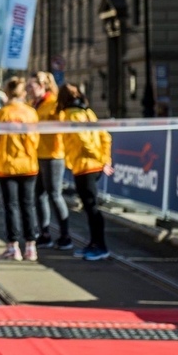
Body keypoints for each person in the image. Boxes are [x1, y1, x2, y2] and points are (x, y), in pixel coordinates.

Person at [57, 83, 114, 261]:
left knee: (91, 207)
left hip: (85, 165)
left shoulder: (72, 115)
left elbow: (83, 141)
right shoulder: (87, 111)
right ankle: (94, 243)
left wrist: (102, 159)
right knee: (89, 207)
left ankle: (101, 246)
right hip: (90, 165)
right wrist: (105, 159)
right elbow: (106, 136)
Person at [0, 77, 40, 262]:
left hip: (7, 165)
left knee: (11, 206)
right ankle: (31, 247)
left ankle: (13, 247)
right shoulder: (31, 113)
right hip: (28, 165)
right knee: (28, 205)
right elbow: (35, 141)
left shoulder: (2, 113)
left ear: (7, 92)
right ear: (23, 92)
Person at [28, 72, 72, 251]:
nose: (29, 89)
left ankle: (65, 235)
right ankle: (45, 234)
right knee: (39, 195)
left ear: (43, 86)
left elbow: (63, 125)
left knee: (54, 194)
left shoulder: (53, 103)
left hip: (53, 155)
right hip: (37, 154)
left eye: (32, 85)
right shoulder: (34, 104)